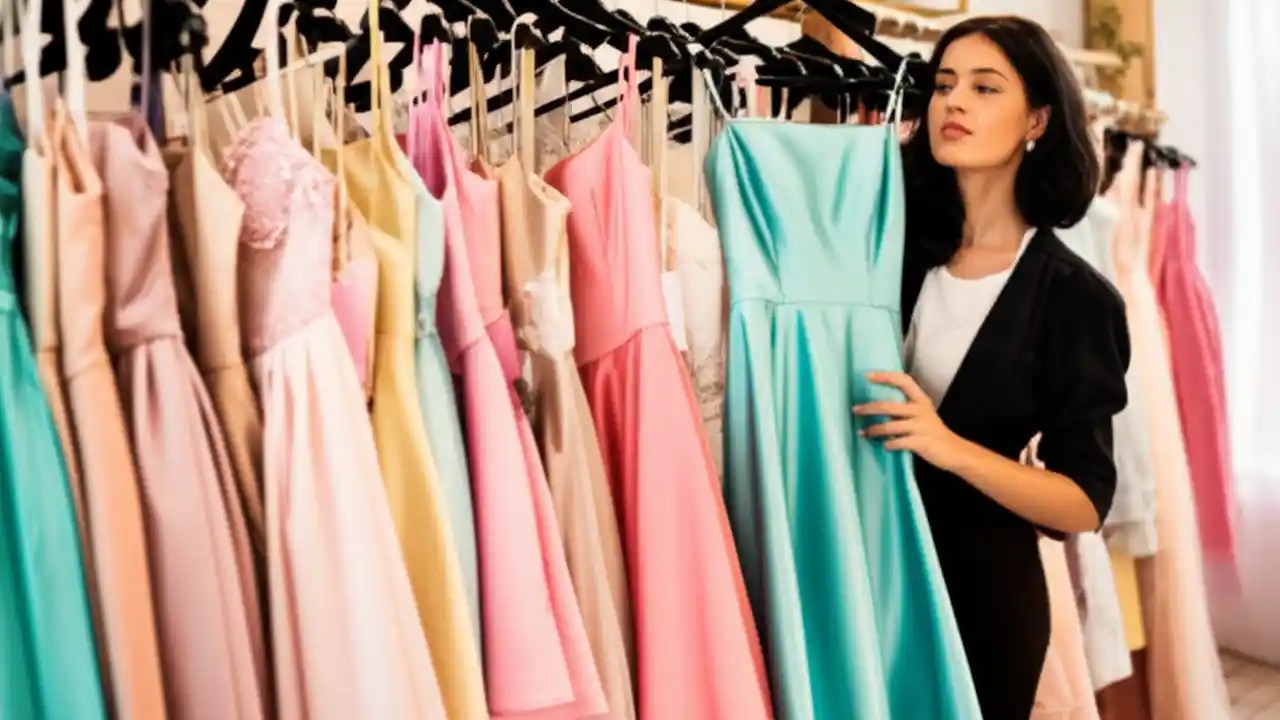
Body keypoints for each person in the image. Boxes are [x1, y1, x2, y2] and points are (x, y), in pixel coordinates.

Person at [852, 15, 1131, 719]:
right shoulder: (895, 251)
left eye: (984, 87)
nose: (954, 103)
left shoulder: (1073, 297)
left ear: (1037, 118)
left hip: (981, 594)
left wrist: (949, 449)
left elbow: (1083, 503)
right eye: (944, 85)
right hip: (862, 565)